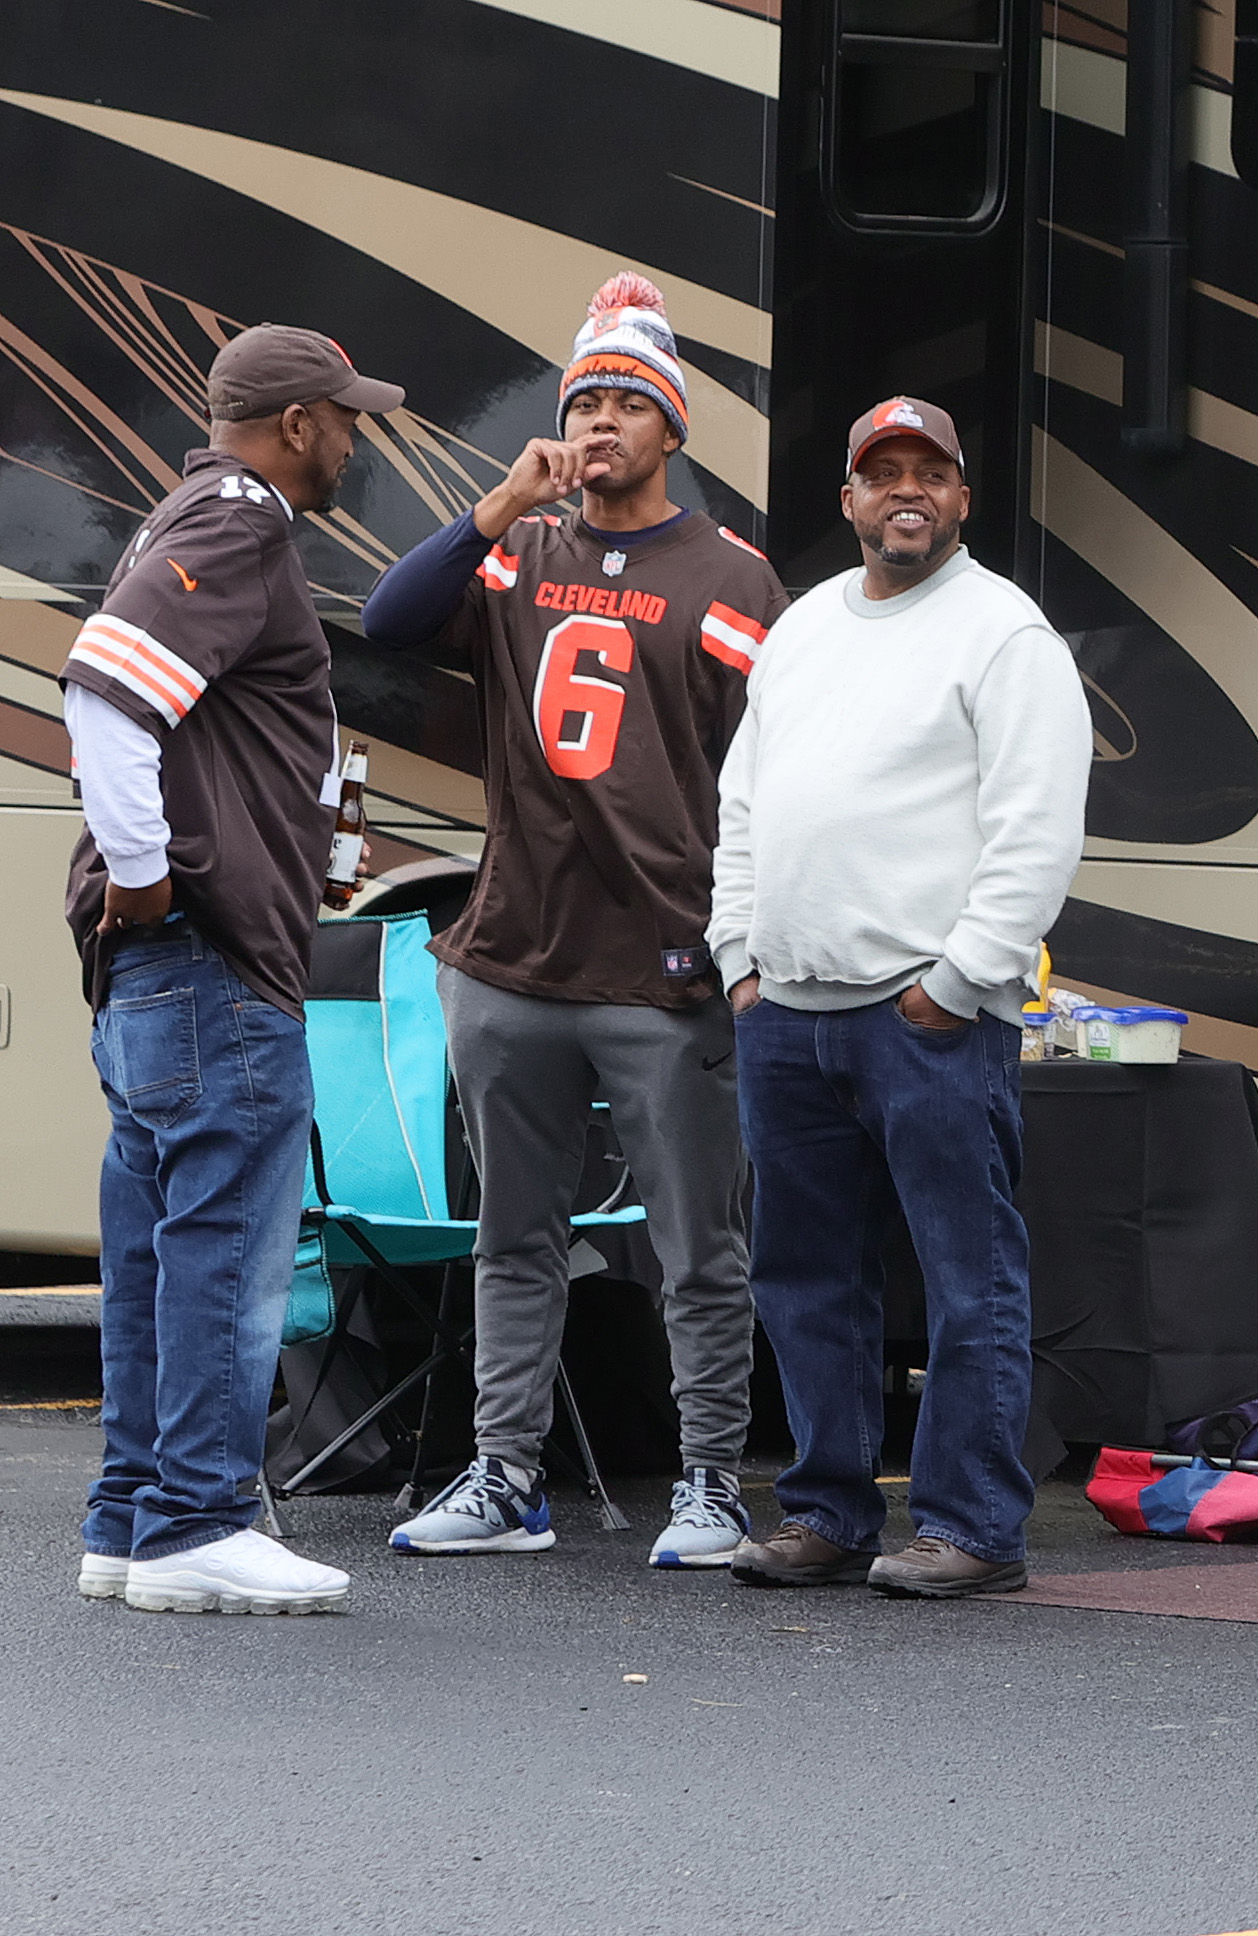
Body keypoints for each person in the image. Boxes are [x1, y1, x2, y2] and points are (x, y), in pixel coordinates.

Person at [357, 274, 782, 1569]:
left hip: (660, 966)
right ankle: (505, 1477)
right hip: (511, 959)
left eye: (625, 406)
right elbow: (388, 621)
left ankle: (711, 1481)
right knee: (514, 1237)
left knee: (696, 1243)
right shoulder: (517, 550)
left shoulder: (733, 578)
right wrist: (499, 495)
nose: (599, 424)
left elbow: (779, 771)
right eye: (583, 402)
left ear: (675, 431)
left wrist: (744, 941)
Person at [709, 398, 1086, 1599]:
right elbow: (746, 806)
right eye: (884, 474)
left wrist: (958, 983)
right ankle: (827, 1510)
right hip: (791, 1012)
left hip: (925, 1020)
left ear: (963, 500)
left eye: (932, 473)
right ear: (850, 501)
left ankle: (973, 1527)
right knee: (804, 1275)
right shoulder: (806, 627)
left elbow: (1036, 830)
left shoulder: (1005, 634)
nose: (907, 491)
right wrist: (740, 959)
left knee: (968, 1278)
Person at [66, 325, 402, 1614]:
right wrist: (150, 871)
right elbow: (104, 691)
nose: (356, 441)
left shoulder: (178, 514)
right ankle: (199, 1515)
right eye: (346, 417)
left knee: (156, 1243)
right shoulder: (244, 514)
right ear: (298, 421)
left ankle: (133, 1515)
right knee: (223, 1245)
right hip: (210, 962)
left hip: (158, 973)